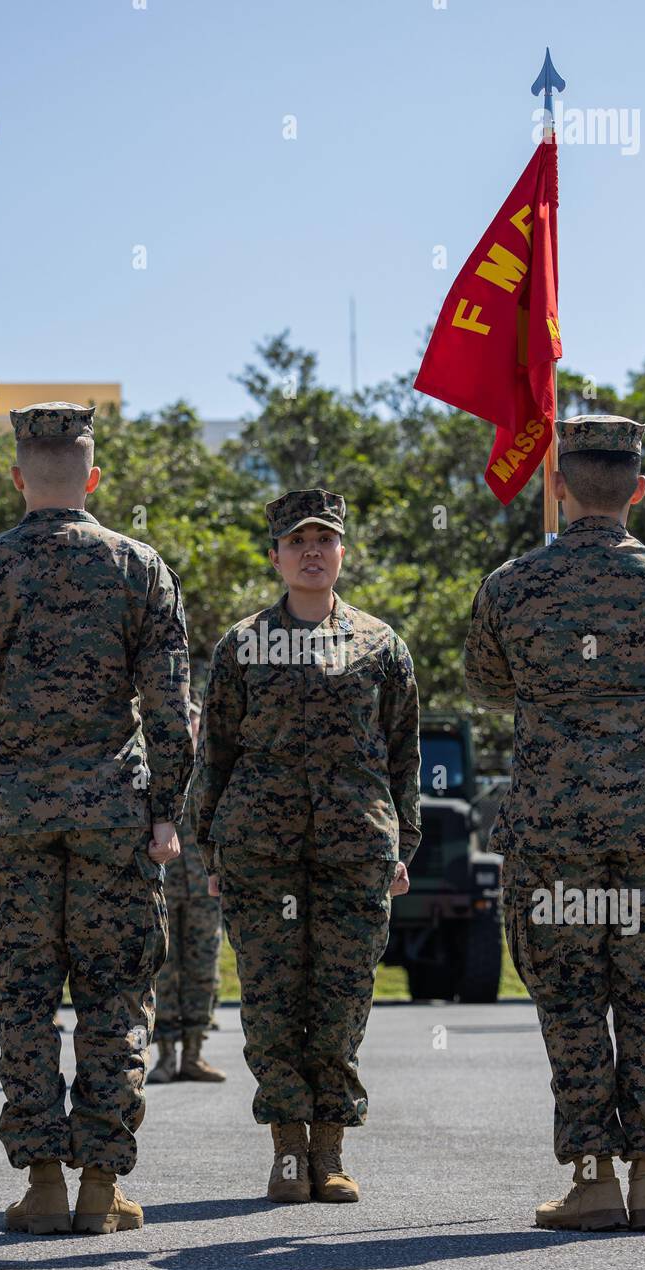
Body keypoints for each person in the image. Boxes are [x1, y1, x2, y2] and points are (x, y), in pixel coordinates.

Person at [0, 401, 193, 1236]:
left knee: (22, 1001)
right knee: (115, 1000)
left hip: (9, 819)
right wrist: (164, 812)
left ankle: (42, 1180)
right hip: (113, 814)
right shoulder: (138, 567)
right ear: (93, 476)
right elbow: (172, 709)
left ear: (18, 476)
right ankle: (100, 1185)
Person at [464, 414, 645, 1233]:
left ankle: (592, 1178)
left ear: (558, 486)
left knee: (570, 1002)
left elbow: (487, 685)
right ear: (638, 488)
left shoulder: (511, 584)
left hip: (554, 829)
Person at [192, 487, 420, 1204]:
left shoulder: (381, 645)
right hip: (260, 852)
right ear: (276, 557)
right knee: (267, 1002)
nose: (312, 551)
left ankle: (331, 1150)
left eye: (324, 539)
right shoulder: (241, 644)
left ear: (343, 553)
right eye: (297, 542)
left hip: (356, 851)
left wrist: (401, 844)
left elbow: (403, 753)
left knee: (342, 1002)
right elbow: (216, 754)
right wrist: (211, 852)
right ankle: (288, 1152)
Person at [149, 696, 226, 1084]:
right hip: (163, 885)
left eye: (194, 721)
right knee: (163, 968)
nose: (190, 728)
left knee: (202, 969)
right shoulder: (155, 770)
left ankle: (194, 1053)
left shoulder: (212, 771)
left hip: (205, 886)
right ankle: (164, 1055)